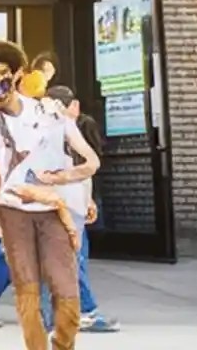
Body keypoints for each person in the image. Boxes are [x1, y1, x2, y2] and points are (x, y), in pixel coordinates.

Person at [0, 39, 100, 350]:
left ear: (16, 75)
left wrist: (70, 184)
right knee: (27, 293)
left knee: (67, 293)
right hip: (14, 211)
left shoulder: (46, 110)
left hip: (55, 209)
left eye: (0, 77)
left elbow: (81, 158)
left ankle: (63, 344)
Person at [40, 85, 120, 333]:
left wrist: (89, 200)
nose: (76, 108)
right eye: (71, 104)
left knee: (71, 260)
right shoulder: (52, 131)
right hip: (61, 205)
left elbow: (89, 166)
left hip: (74, 203)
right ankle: (81, 312)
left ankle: (65, 315)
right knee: (70, 260)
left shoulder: (73, 129)